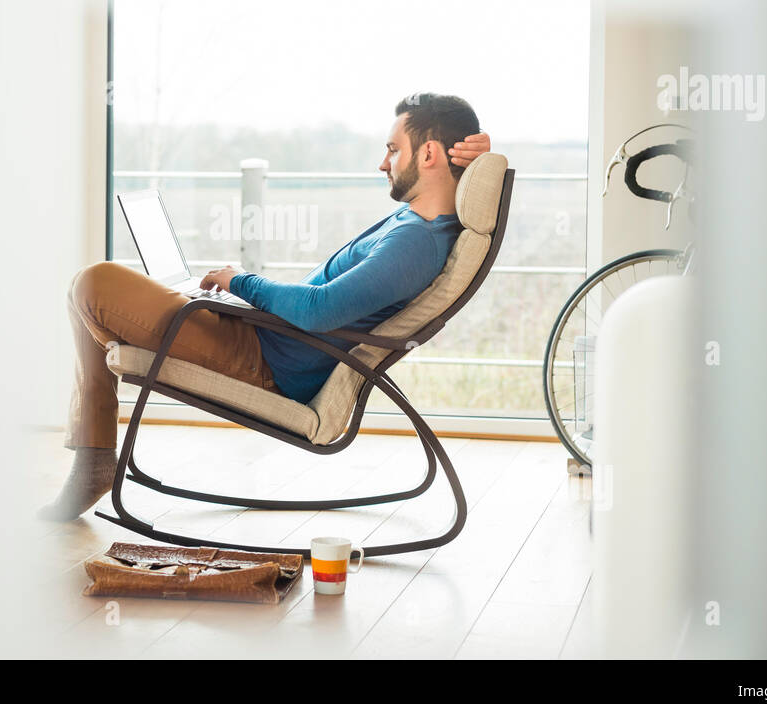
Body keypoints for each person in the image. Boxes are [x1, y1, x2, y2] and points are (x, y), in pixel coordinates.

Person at [40, 93, 493, 521]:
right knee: (91, 295)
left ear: (429, 155)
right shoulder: (413, 221)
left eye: (393, 150)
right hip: (258, 336)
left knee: (93, 284)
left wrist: (242, 281)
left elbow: (319, 310)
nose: (383, 163)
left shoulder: (415, 242)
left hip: (263, 361)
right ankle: (96, 456)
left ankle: (94, 456)